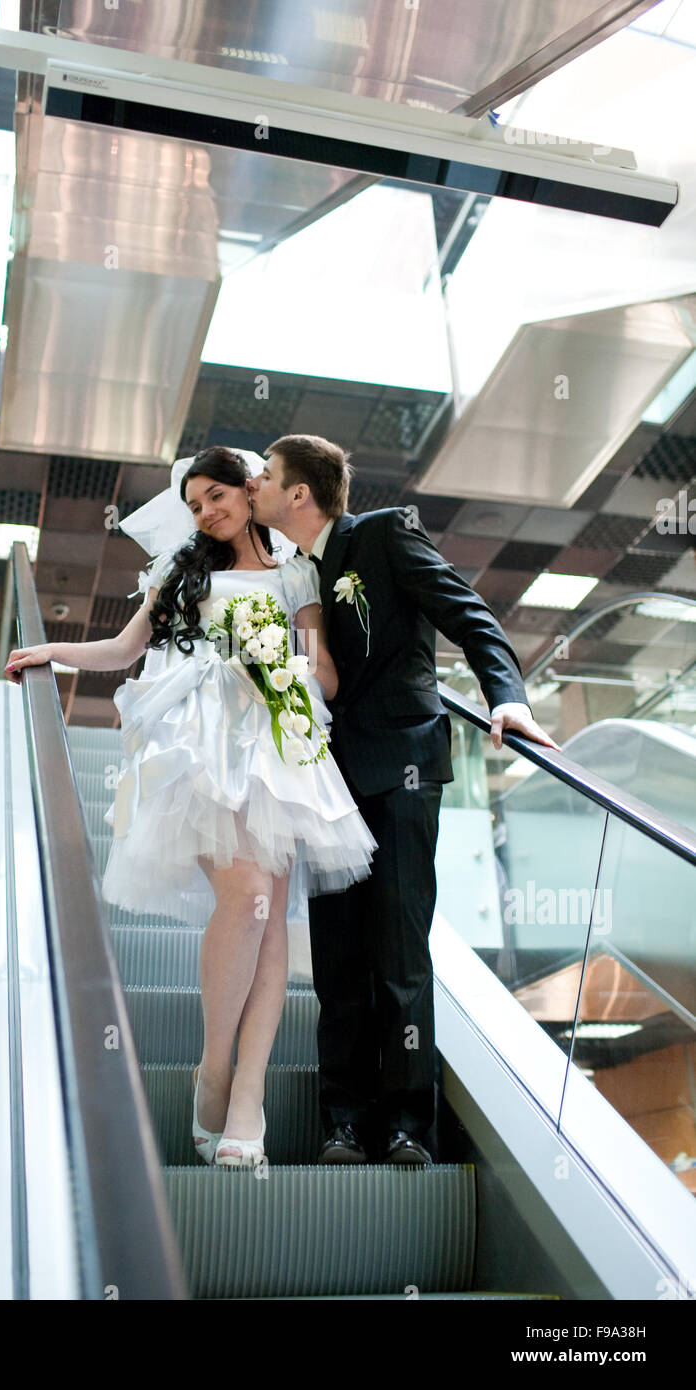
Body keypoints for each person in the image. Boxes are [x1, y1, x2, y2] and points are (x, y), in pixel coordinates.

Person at [5, 447, 376, 1170]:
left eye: (217, 496)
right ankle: (212, 1068)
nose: (206, 512)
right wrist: (48, 649)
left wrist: (278, 663)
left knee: (270, 921)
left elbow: (324, 673)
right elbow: (123, 649)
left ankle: (247, 1098)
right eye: (196, 503)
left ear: (248, 490)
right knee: (247, 899)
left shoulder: (296, 573)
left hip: (279, 739)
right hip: (199, 740)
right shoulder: (181, 569)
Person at [249, 434, 561, 1166]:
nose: (256, 485)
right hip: (325, 784)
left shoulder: (383, 535)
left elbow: (468, 613)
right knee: (336, 958)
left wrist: (507, 699)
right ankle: (344, 1123)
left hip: (401, 770)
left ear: (300, 494)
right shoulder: (287, 575)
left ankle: (407, 1126)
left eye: (267, 476)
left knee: (397, 951)